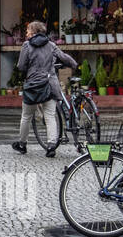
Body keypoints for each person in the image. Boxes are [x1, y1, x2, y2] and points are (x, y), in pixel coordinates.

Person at [11, 20, 77, 156]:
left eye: (28, 31)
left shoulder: (27, 45)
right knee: (50, 115)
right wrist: (74, 64)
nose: (26, 33)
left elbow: (21, 66)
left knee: (27, 116)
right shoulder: (51, 45)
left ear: (34, 32)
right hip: (50, 84)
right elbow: (64, 57)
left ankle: (22, 144)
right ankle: (51, 145)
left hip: (33, 86)